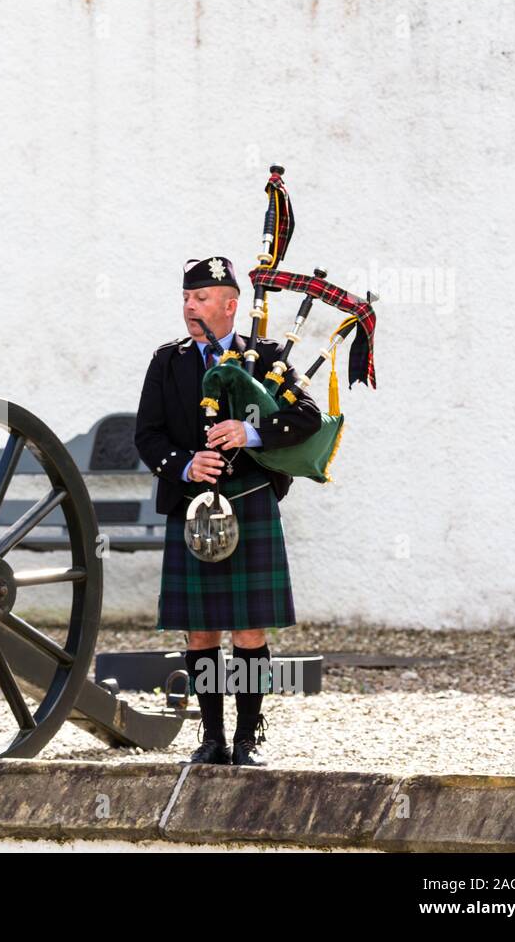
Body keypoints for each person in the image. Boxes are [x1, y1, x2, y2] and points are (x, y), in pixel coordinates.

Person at [134, 256, 323, 766]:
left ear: (229, 304)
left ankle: (246, 739)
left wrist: (250, 432)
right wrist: (184, 464)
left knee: (249, 629)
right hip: (193, 505)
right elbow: (146, 435)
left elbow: (309, 417)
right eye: (186, 298)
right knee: (200, 630)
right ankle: (211, 738)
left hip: (249, 501)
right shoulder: (168, 361)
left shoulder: (265, 357)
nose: (189, 307)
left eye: (199, 298)